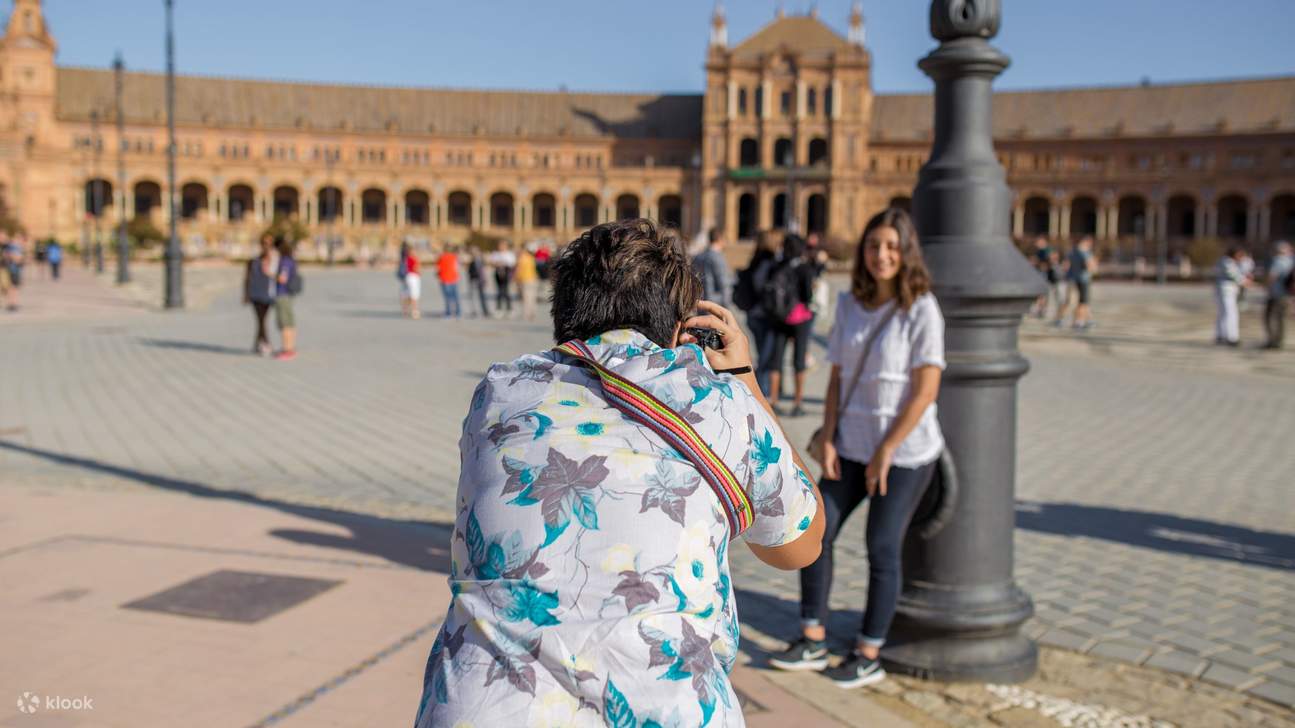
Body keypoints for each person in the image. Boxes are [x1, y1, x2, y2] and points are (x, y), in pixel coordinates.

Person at [413, 218, 825, 728]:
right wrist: (743, 383)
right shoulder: (718, 405)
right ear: (681, 328)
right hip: (665, 711)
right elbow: (797, 545)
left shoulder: (499, 393)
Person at [770, 206, 944, 689]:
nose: (881, 255)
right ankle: (813, 635)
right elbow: (838, 379)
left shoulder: (922, 307)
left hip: (904, 452)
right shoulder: (848, 304)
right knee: (814, 532)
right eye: (874, 246)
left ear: (906, 252)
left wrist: (888, 448)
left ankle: (868, 650)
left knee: (882, 546)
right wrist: (828, 436)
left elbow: (925, 389)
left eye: (891, 247)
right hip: (849, 444)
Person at [763, 234, 819, 417]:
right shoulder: (804, 268)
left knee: (776, 361)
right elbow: (807, 296)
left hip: (778, 319)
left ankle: (773, 400)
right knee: (799, 361)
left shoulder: (776, 266)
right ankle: (797, 402)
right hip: (799, 318)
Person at [733, 229, 782, 395]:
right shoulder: (769, 263)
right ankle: (761, 394)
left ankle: (763, 390)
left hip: (753, 314)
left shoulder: (755, 260)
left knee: (763, 354)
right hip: (765, 316)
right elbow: (762, 287)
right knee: (765, 358)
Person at [243, 234, 278, 356]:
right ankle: (265, 344)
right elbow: (247, 278)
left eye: (270, 243)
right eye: (265, 243)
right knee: (261, 320)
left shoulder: (274, 260)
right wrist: (246, 294)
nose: (267, 246)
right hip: (255, 293)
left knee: (262, 320)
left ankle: (258, 343)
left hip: (268, 294)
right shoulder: (253, 261)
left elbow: (277, 276)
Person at [1055, 236, 1097, 330]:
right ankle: (1079, 322)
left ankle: (1062, 319)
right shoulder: (1085, 252)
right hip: (1083, 279)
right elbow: (1090, 266)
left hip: (1072, 279)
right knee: (1083, 302)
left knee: (1070, 301)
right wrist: (1093, 269)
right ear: (1087, 242)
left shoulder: (1072, 252)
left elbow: (1065, 265)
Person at [1214, 246, 1251, 347]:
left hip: (1225, 290)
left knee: (1223, 313)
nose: (1241, 257)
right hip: (1227, 290)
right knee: (1231, 313)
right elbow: (1234, 275)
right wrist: (1245, 281)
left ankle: (1220, 335)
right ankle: (1232, 337)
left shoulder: (1224, 261)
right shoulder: (1227, 262)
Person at [692, 227, 733, 309]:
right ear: (720, 239)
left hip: (700, 304)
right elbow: (724, 287)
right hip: (715, 307)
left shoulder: (698, 257)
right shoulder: (717, 258)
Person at [1264, 241, 1293, 350]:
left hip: (1276, 293)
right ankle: (1280, 340)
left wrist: (1267, 287)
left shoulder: (1278, 260)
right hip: (1287, 293)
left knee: (1270, 317)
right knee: (1282, 318)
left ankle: (1272, 341)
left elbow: (1272, 276)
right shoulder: (1291, 261)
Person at [273, 238, 299, 361]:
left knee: (285, 323)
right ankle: (290, 348)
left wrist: (269, 273)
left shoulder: (284, 261)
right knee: (290, 322)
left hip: (283, 294)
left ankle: (287, 350)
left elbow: (282, 278)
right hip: (289, 294)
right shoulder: (291, 260)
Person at [490, 240, 516, 315]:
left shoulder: (509, 254)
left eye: (503, 245)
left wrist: (504, 263)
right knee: (499, 291)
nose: (501, 247)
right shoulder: (495, 253)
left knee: (506, 290)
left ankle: (509, 309)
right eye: (500, 245)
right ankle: (499, 309)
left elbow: (512, 263)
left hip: (506, 272)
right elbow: (492, 262)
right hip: (498, 273)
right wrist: (497, 263)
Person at [515, 244, 540, 321]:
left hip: (525, 280)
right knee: (532, 297)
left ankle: (527, 314)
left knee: (526, 298)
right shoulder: (531, 258)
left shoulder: (522, 258)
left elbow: (519, 270)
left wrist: (516, 279)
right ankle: (532, 312)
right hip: (533, 279)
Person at [399, 242, 423, 319]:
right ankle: (415, 311)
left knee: (408, 294)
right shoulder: (412, 258)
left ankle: (406, 309)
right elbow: (416, 268)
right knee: (414, 295)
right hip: (413, 277)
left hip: (407, 277)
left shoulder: (405, 258)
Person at [436, 245, 461, 319]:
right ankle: (458, 312)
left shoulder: (441, 257)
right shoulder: (454, 257)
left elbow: (438, 268)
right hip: (453, 278)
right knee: (455, 296)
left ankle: (449, 313)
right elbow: (457, 267)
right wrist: (457, 276)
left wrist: (439, 277)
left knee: (448, 297)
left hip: (445, 279)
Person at [466, 249, 491, 318]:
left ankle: (485, 311)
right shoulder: (472, 262)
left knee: (482, 296)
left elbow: (484, 272)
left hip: (480, 281)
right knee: (473, 297)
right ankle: (474, 311)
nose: (474, 254)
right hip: (473, 281)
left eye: (476, 253)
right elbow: (469, 272)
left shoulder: (481, 261)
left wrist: (486, 280)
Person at [2, 234, 24, 312]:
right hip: (13, 270)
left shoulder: (14, 247)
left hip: (14, 270)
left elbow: (18, 259)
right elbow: (17, 258)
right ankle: (12, 303)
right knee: (12, 287)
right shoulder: (14, 247)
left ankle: (13, 303)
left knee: (13, 287)